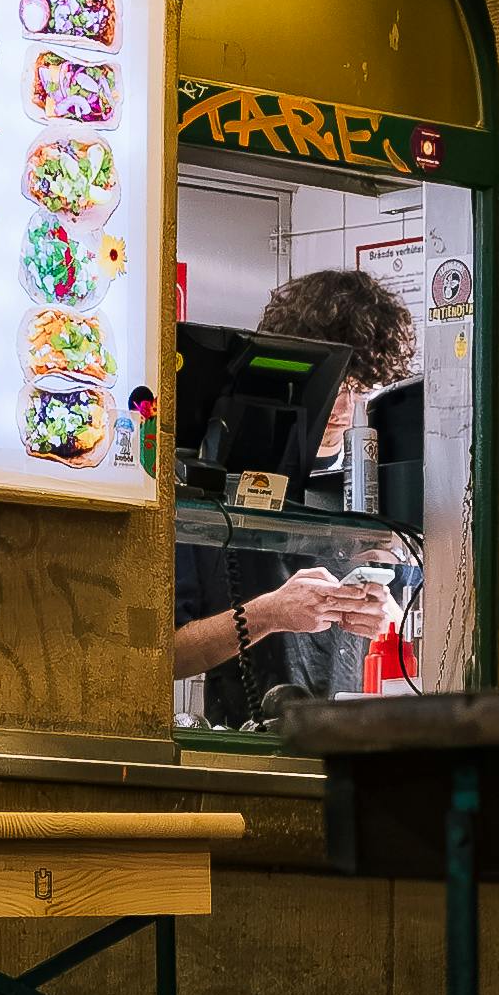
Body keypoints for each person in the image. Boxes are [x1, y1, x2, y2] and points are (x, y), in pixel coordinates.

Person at [171, 266, 415, 727]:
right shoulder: (212, 489)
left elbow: (422, 630)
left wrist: (391, 626)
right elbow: (165, 656)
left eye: (360, 389)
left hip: (362, 745)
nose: (344, 408)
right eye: (335, 387)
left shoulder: (385, 489)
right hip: (250, 750)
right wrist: (266, 615)